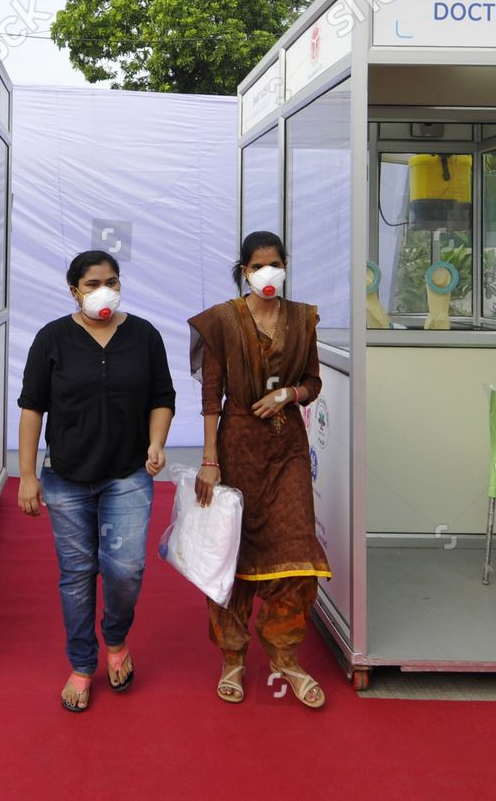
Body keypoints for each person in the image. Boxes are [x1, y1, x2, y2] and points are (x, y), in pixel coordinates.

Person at [18, 250, 175, 712]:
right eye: (92, 284)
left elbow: (162, 398)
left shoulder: (144, 335)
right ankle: (83, 664)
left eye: (111, 281)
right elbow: (32, 408)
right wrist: (27, 476)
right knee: (77, 575)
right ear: (73, 290)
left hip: (127, 474)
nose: (103, 290)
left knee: (126, 569)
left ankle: (117, 637)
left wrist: (157, 442)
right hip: (67, 478)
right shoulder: (52, 338)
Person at [187, 231, 330, 709]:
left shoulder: (303, 318)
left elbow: (313, 381)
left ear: (285, 265)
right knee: (229, 553)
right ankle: (233, 656)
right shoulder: (222, 322)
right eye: (257, 265)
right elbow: (212, 397)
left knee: (298, 549)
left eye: (275, 263)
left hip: (287, 447)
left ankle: (284, 655)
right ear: (244, 270)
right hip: (236, 446)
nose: (267, 272)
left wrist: (288, 394)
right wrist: (209, 459)